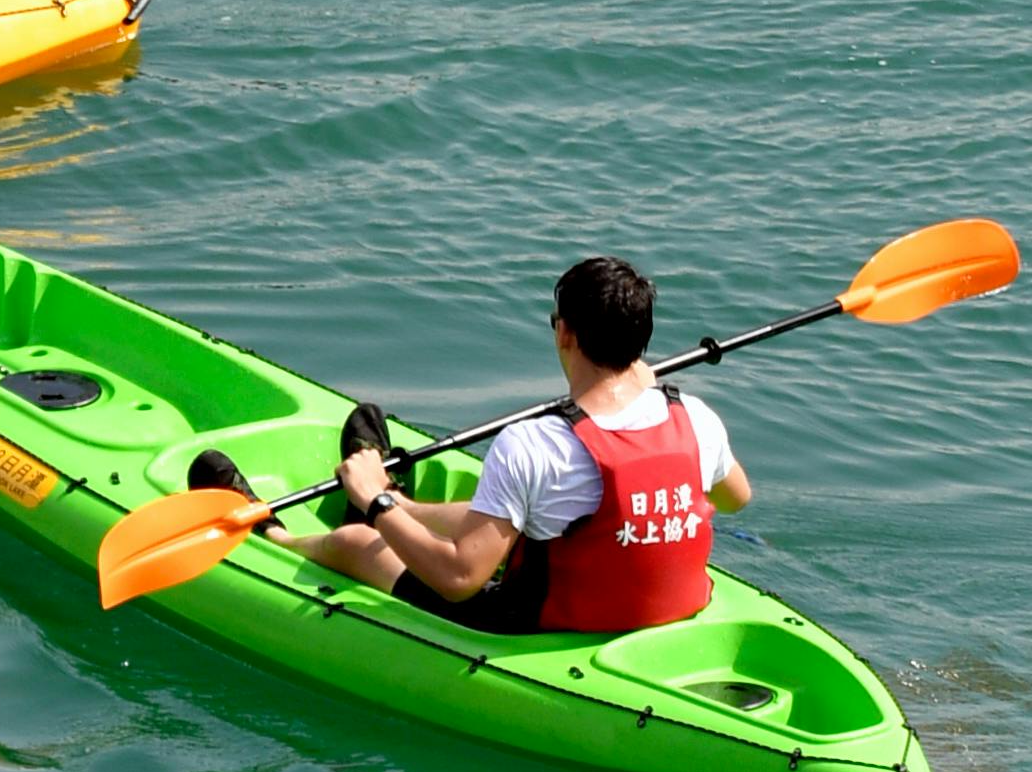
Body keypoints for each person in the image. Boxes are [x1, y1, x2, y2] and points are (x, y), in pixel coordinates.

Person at [268, 252, 750, 636]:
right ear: (640, 343)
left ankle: (278, 537)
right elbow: (735, 497)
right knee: (513, 514)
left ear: (565, 333)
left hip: (531, 627)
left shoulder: (534, 444)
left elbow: (460, 580)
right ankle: (407, 508)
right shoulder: (693, 417)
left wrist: (375, 502)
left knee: (360, 542)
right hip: (667, 611)